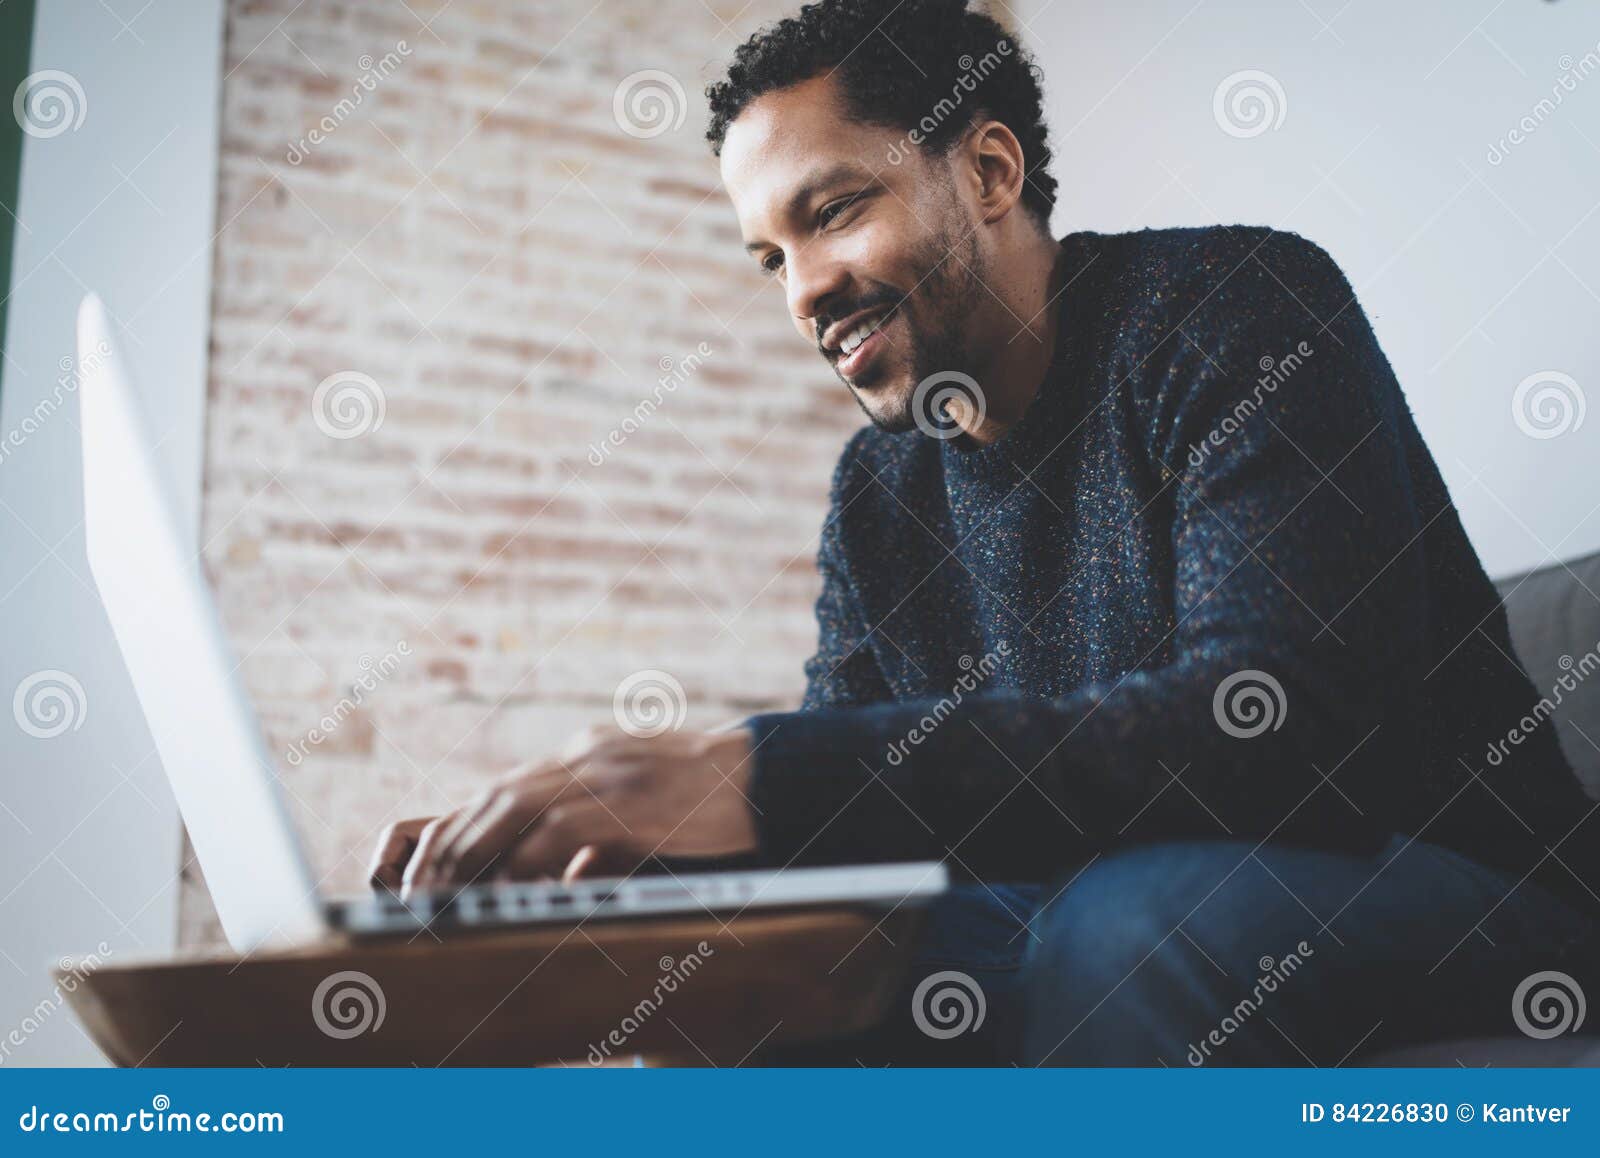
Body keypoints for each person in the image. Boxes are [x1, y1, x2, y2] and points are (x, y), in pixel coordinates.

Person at [369, 0, 1600, 1064]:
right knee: (749, 969)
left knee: (1133, 925)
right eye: (769, 258)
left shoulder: (1235, 307)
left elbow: (1274, 722)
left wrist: (755, 773)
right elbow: (854, 781)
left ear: (990, 173)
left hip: (1470, 891)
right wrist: (656, 867)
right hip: (1090, 906)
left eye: (833, 210)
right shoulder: (880, 490)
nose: (801, 290)